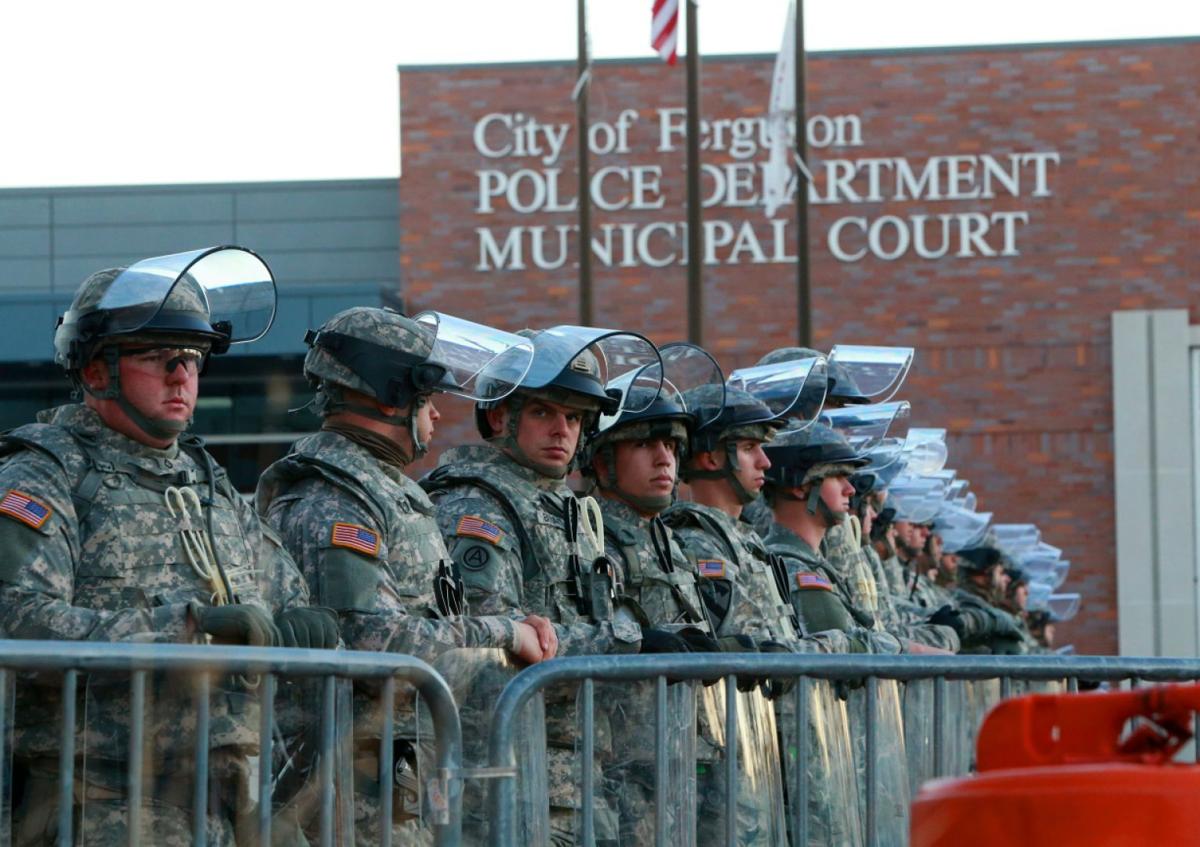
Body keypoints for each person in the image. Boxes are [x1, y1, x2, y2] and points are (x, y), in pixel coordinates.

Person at [0, 247, 333, 845]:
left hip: (234, 805)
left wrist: (304, 622)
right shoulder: (46, 473)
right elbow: (14, 621)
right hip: (104, 806)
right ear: (97, 371)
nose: (183, 376)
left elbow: (286, 599)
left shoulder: (210, 483)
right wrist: (187, 629)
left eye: (193, 359)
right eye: (159, 358)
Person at [255, 306, 555, 842]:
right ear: (393, 395)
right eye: (428, 399)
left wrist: (512, 622)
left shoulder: (382, 488)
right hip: (351, 786)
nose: (436, 416)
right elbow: (376, 639)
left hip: (399, 772)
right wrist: (506, 633)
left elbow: (426, 615)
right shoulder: (334, 498)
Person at [422, 326, 662, 846]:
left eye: (574, 417)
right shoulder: (476, 505)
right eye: (543, 413)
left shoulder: (568, 509)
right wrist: (628, 642)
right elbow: (494, 643)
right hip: (512, 774)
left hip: (581, 772)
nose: (562, 429)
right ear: (500, 416)